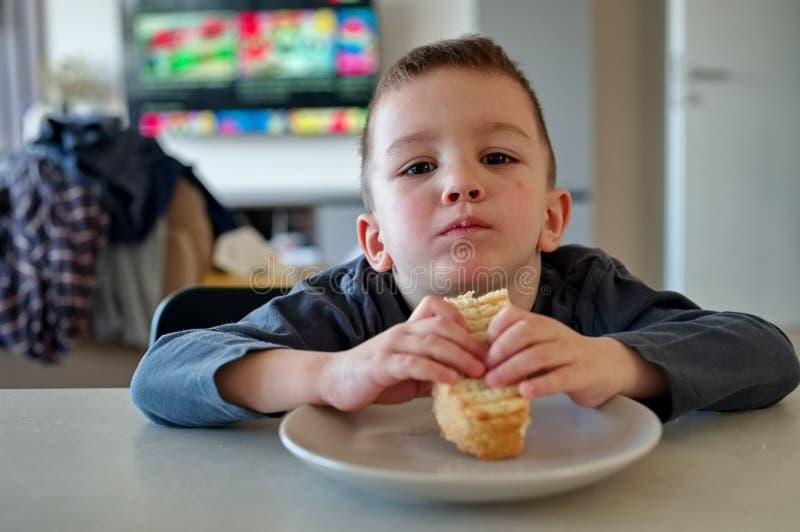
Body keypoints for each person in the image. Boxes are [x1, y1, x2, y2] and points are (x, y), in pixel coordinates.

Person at [130, 35, 799, 427]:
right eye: (419, 165)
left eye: (499, 158)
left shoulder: (589, 292)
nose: (459, 184)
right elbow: (161, 371)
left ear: (550, 217)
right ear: (375, 242)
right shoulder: (346, 308)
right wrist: (331, 374)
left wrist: (614, 361)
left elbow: (767, 353)